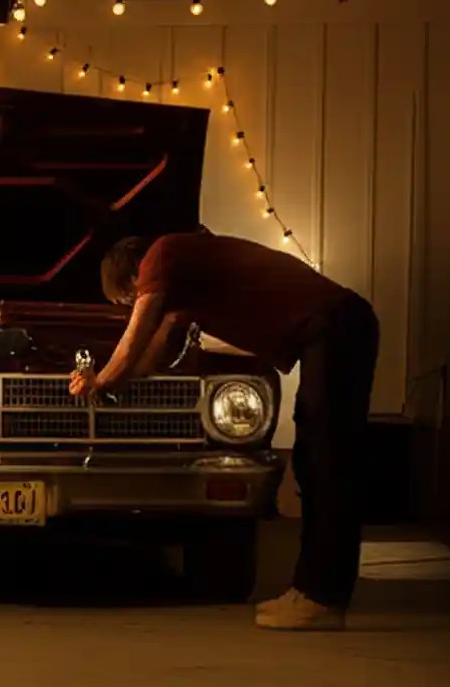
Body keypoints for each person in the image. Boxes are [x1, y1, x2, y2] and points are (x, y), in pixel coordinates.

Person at [69, 228, 379, 631]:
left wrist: (98, 381)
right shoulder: (184, 277)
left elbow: (135, 338)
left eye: (126, 300)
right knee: (315, 459)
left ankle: (321, 597)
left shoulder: (161, 256)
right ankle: (315, 592)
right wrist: (117, 381)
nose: (132, 305)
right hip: (336, 328)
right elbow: (157, 350)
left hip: (335, 325)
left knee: (326, 463)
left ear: (131, 279)